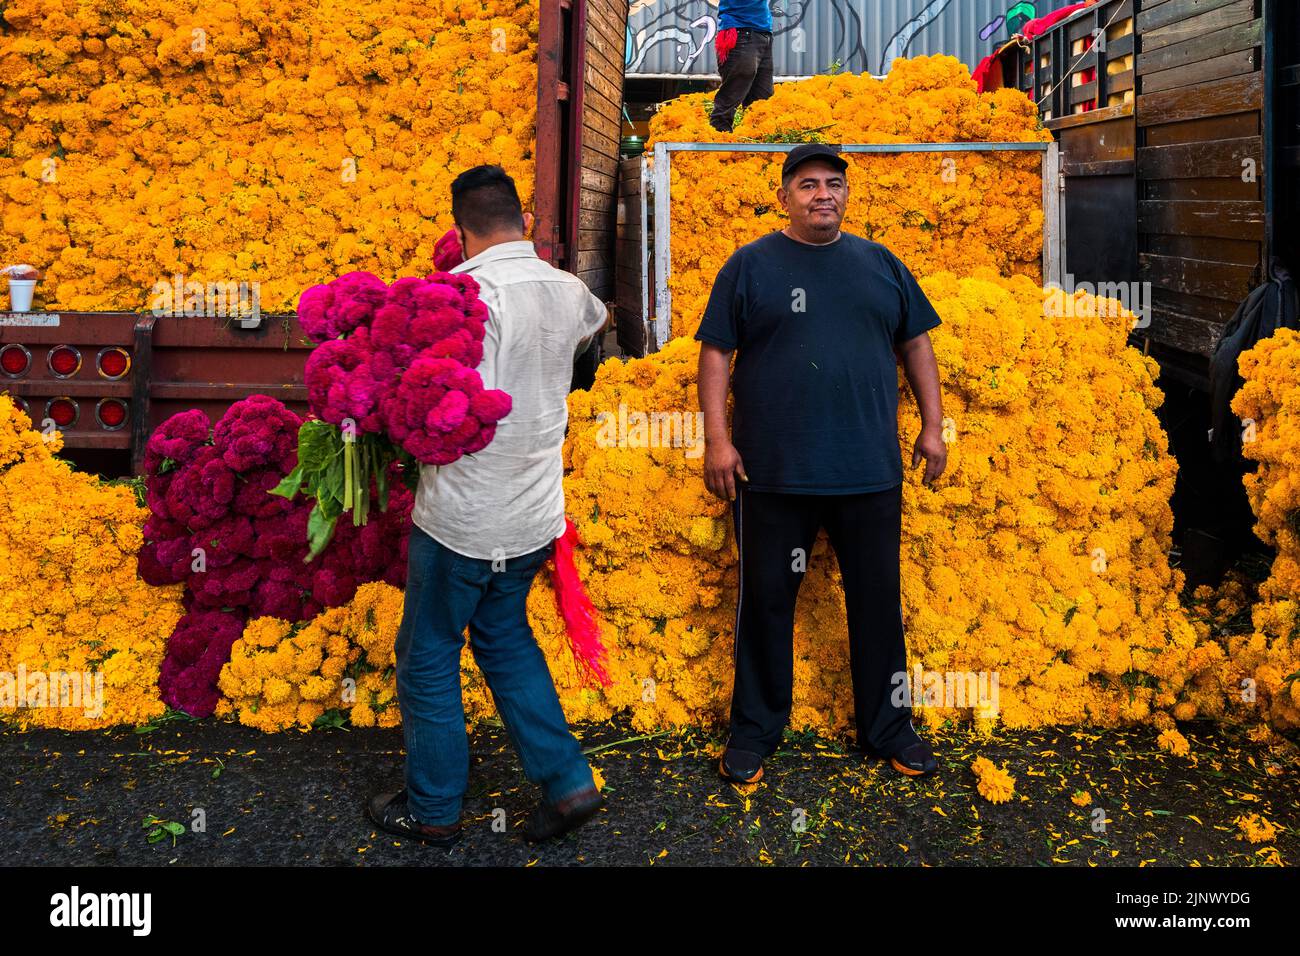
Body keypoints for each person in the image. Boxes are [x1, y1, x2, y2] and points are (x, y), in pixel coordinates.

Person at [367, 165, 610, 846]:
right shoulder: (569, 291)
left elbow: (418, 397)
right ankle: (568, 784)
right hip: (534, 515)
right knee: (504, 639)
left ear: (460, 229)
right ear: (524, 221)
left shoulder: (460, 295)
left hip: (463, 520)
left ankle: (435, 809)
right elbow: (595, 323)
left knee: (428, 656)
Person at [695, 143, 948, 784]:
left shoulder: (879, 263)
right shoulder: (749, 266)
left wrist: (933, 427)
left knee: (876, 604)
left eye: (833, 183)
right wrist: (717, 441)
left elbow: (915, 342)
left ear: (846, 194)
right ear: (784, 197)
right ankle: (754, 730)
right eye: (807, 185)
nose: (822, 195)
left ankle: (890, 728)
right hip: (773, 473)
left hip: (868, 471)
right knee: (766, 604)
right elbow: (716, 355)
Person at [710, 0, 775, 133]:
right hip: (741, 31)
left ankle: (755, 148)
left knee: (761, 104)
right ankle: (717, 145)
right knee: (729, 99)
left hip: (762, 32)